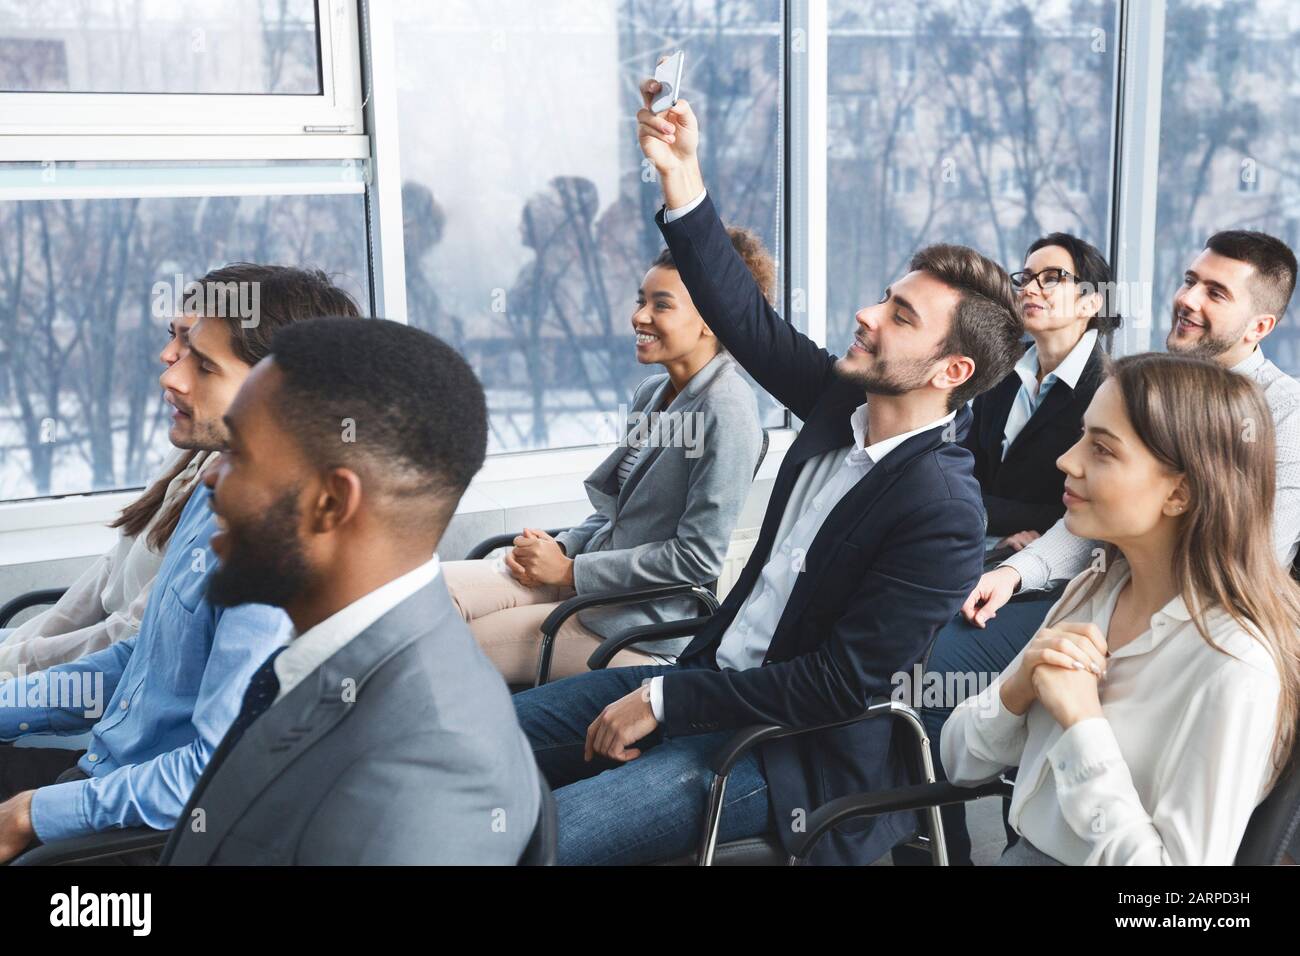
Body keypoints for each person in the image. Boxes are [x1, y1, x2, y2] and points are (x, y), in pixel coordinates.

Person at [505, 72, 1023, 866]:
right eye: (886, 297)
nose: (868, 313)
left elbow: (837, 687)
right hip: (702, 687)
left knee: (547, 841)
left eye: (900, 316)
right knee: (484, 748)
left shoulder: (943, 507)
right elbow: (742, 316)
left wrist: (667, 698)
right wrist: (680, 174)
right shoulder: (834, 402)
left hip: (781, 757)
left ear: (950, 372)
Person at [920, 229, 1300, 863]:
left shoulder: (1234, 664)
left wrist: (1080, 725)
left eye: (1214, 291)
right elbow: (961, 758)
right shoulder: (1094, 590)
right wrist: (1019, 651)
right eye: (1187, 280)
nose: (1187, 299)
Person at [0, 264, 359, 862]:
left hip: (144, 837)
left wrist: (30, 813)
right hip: (97, 783)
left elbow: (214, 774)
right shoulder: (214, 488)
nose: (170, 370)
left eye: (203, 363)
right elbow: (135, 665)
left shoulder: (279, 550)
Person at [163, 318, 541, 865]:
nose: (208, 478)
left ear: (331, 503)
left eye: (238, 453)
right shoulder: (322, 654)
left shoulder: (421, 780)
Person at [442, 229, 769, 683]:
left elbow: (698, 558)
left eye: (661, 305)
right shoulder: (653, 392)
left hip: (634, 628)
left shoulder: (727, 411)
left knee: (448, 649)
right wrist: (559, 548)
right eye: (642, 301)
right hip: (585, 588)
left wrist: (573, 570)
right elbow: (614, 512)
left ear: (712, 318)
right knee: (430, 598)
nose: (639, 316)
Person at [0, 265, 360, 676]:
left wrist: (12, 668)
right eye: (173, 335)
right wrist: (14, 651)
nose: (167, 364)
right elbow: (111, 573)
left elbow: (131, 649)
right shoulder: (195, 454)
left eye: (198, 356)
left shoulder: (255, 505)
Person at [966, 233, 1116, 565]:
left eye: (1051, 279)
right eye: (1026, 278)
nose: (1029, 289)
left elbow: (1087, 507)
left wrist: (974, 512)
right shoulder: (1001, 369)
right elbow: (962, 471)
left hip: (1049, 562)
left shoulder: (1108, 391)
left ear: (1091, 302)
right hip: (978, 546)